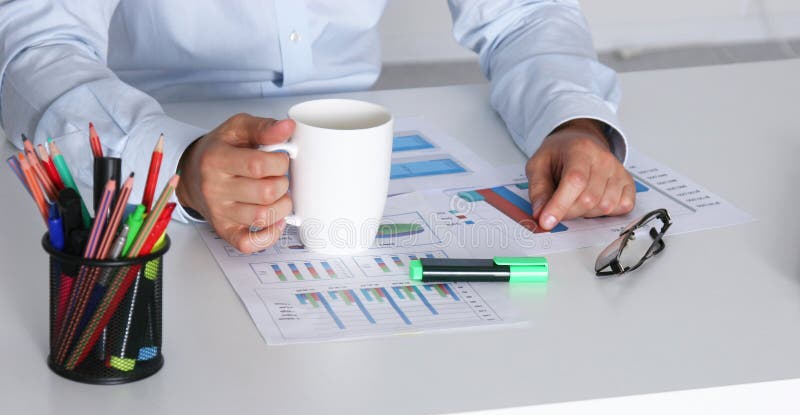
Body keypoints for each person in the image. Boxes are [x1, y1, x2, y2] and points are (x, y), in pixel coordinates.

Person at [0, 0, 635, 253]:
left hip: (365, 160)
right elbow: (32, 48)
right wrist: (179, 166)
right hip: (146, 169)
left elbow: (523, 15)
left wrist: (571, 122)